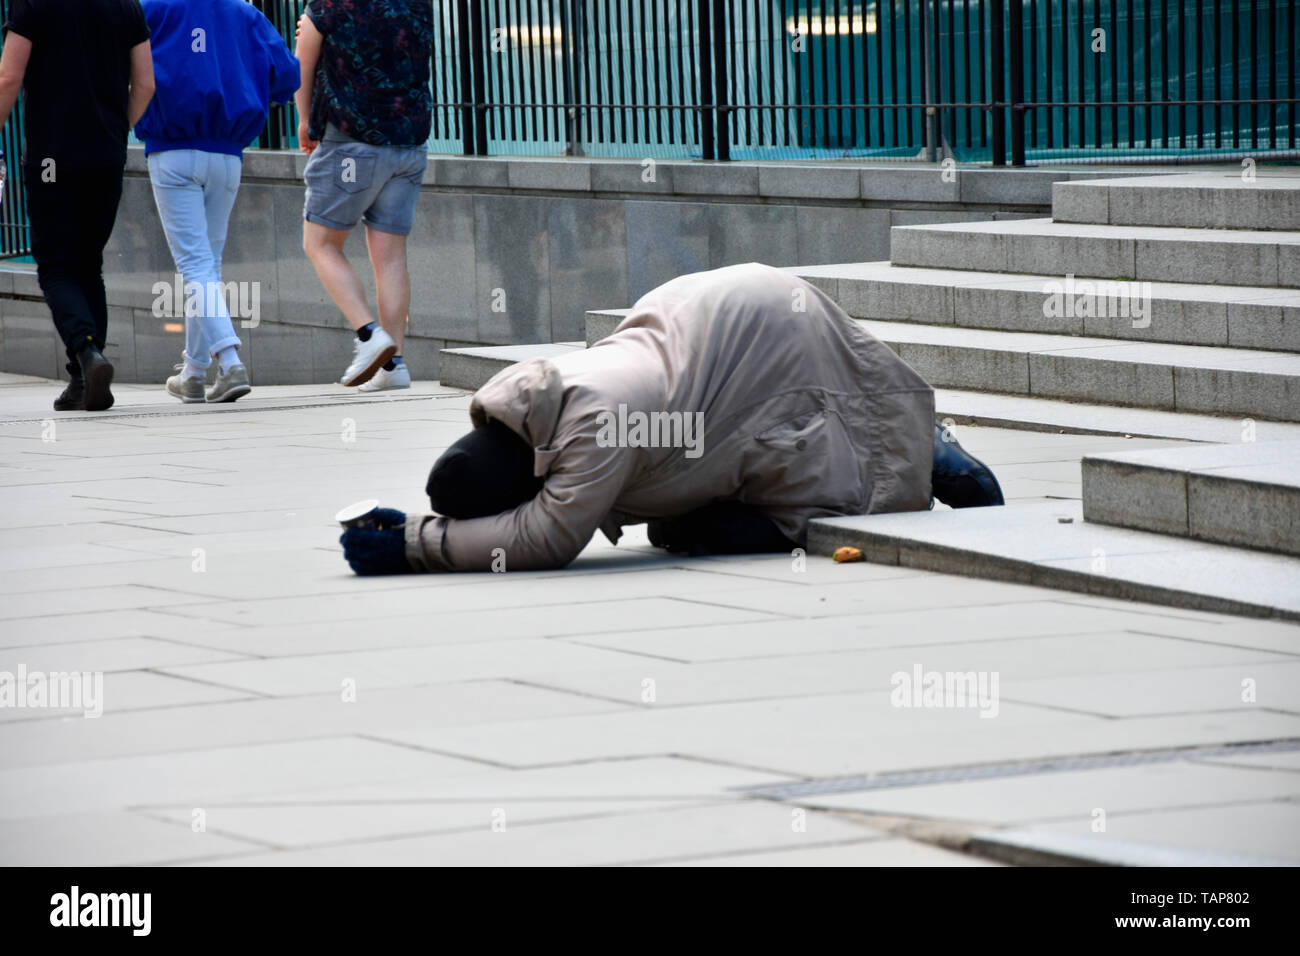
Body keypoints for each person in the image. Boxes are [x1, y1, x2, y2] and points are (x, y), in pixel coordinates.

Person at [338, 263, 1005, 576]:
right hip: (712, 313)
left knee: (817, 491)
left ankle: (934, 455)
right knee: (684, 524)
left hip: (760, 343)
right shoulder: (531, 397)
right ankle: (920, 442)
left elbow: (544, 538)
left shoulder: (593, 423)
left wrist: (413, 544)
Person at [138, 0, 298, 405]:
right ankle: (193, 371)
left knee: (195, 266)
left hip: (171, 149)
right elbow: (287, 76)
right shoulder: (244, 13)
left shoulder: (152, 8)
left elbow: (116, 64)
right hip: (227, 153)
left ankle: (229, 361)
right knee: (207, 264)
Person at [0, 0, 153, 412]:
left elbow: (8, 77)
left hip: (51, 159)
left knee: (55, 266)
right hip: (105, 156)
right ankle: (81, 379)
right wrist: (117, 132)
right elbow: (146, 85)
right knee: (88, 265)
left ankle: (87, 352)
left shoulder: (32, 3)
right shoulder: (127, 6)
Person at [294, 0, 434, 391]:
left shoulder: (329, 4)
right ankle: (395, 367)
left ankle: (370, 336)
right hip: (409, 145)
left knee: (320, 243)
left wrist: (305, 120)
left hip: (351, 142)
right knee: (390, 256)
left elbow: (301, 65)